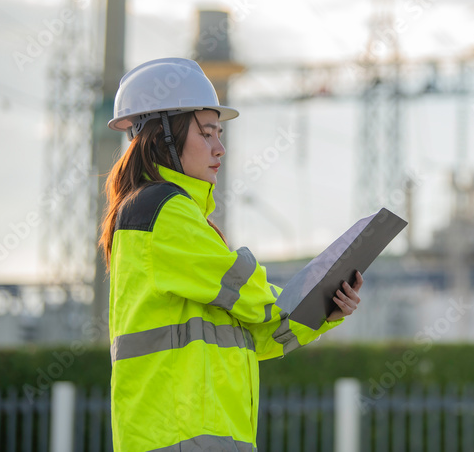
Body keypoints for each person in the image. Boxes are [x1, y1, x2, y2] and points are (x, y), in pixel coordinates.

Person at [99, 57, 363, 451]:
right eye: (207, 133)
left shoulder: (170, 213)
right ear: (163, 137)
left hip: (191, 438)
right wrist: (315, 293)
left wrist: (325, 308)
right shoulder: (162, 210)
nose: (220, 148)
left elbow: (256, 334)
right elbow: (250, 295)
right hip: (181, 438)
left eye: (219, 134)